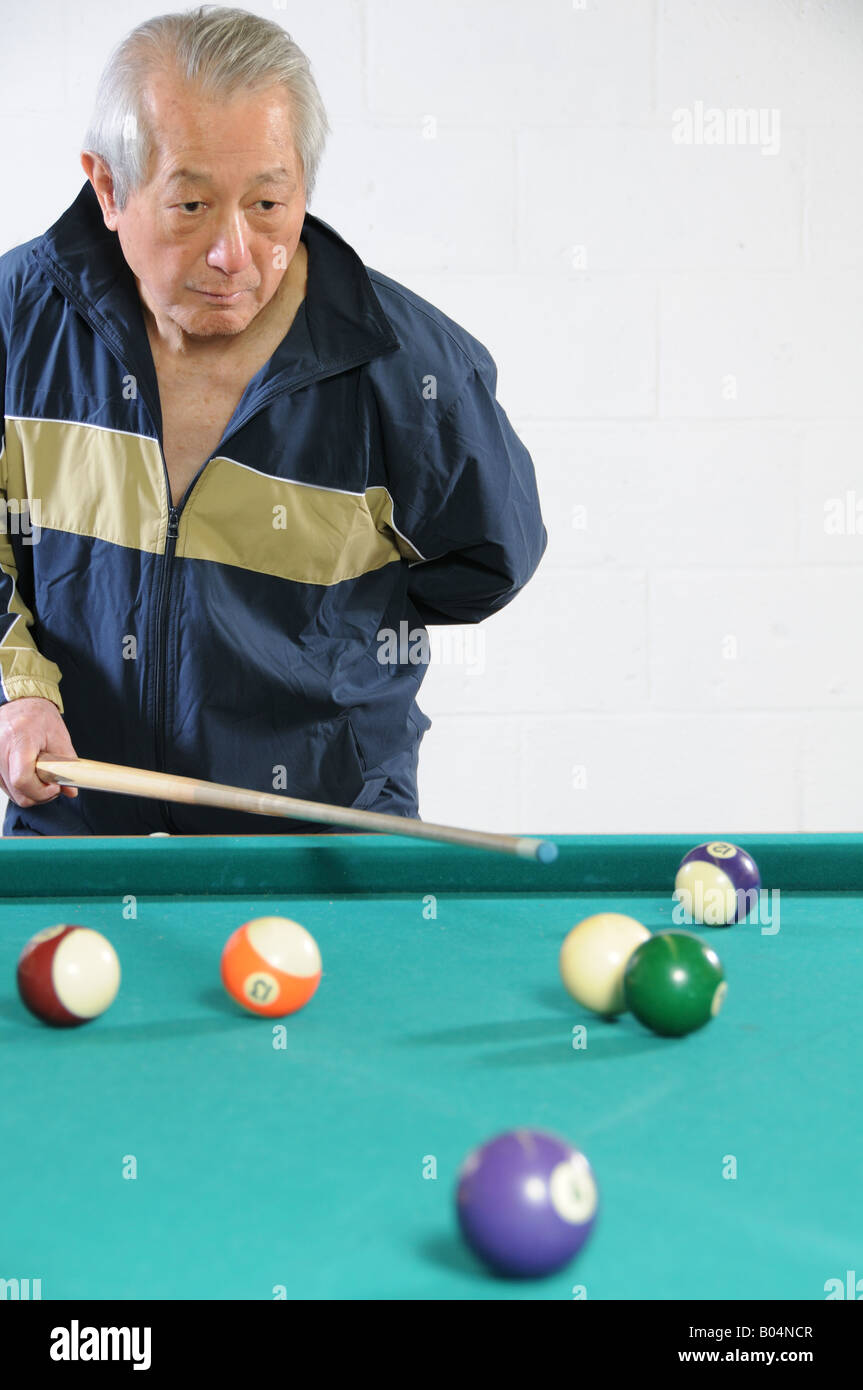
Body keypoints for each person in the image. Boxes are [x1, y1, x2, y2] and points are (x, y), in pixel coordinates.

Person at [0, 6, 546, 836]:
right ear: (109, 188)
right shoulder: (14, 320)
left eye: (266, 203)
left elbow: (486, 564)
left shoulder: (415, 372)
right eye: (190, 206)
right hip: (76, 817)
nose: (234, 253)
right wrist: (18, 692)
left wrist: (316, 647)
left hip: (325, 832)